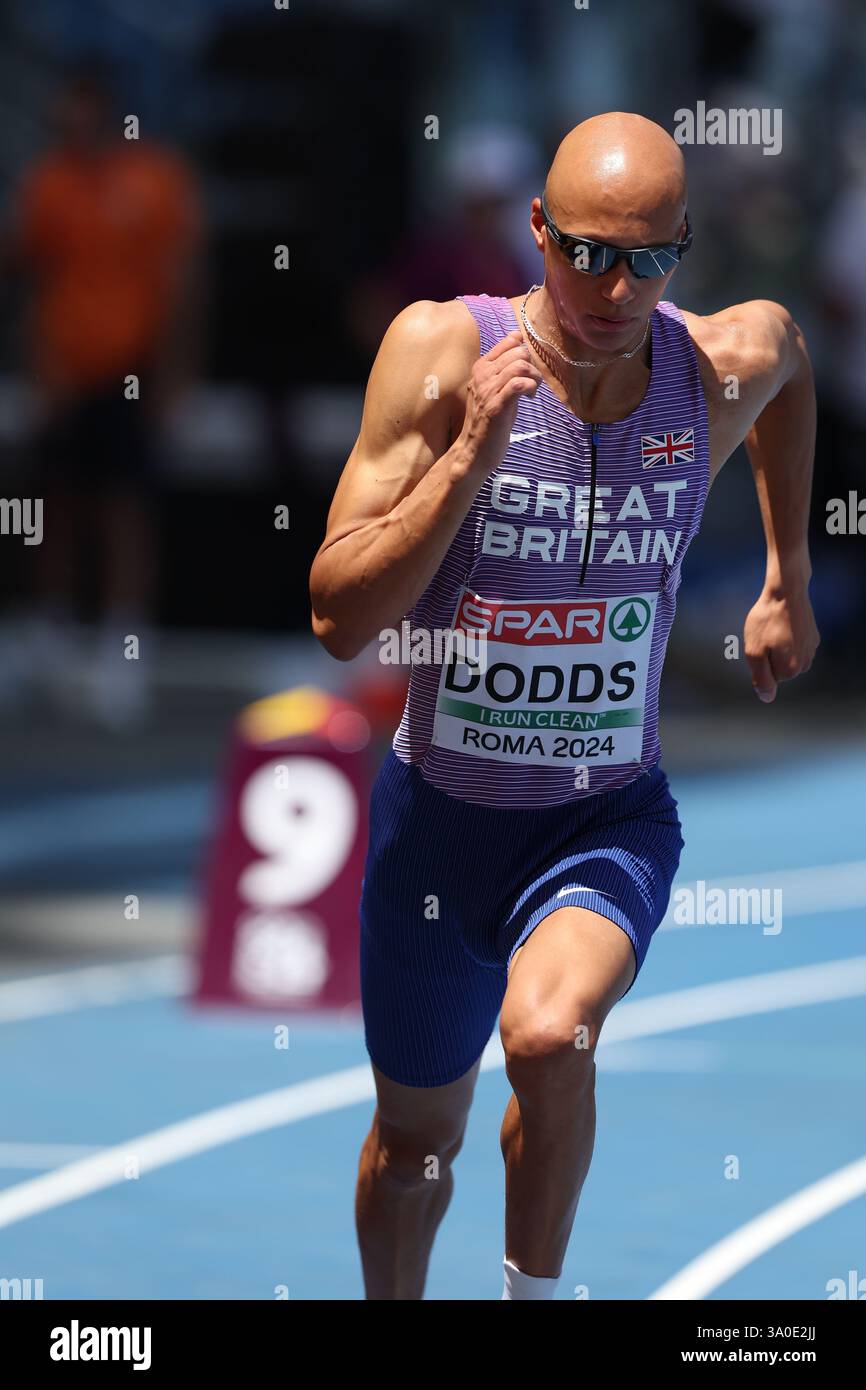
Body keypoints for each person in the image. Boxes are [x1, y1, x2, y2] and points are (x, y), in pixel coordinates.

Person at [309, 112, 819, 1300]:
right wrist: (466, 464)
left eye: (645, 260)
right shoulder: (443, 353)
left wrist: (785, 579)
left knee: (546, 1036)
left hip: (603, 819)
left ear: (680, 250)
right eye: (584, 250)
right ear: (534, 228)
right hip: (437, 827)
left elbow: (787, 353)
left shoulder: (708, 368)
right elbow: (338, 612)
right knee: (413, 1148)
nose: (609, 286)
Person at [7, 66, 202, 725]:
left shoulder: (154, 180)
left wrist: (172, 378)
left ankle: (125, 650)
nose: (76, 128)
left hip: (131, 374)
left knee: (125, 511)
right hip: (63, 375)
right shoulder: (49, 184)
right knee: (52, 506)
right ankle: (48, 633)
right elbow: (28, 273)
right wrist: (37, 368)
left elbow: (182, 286)